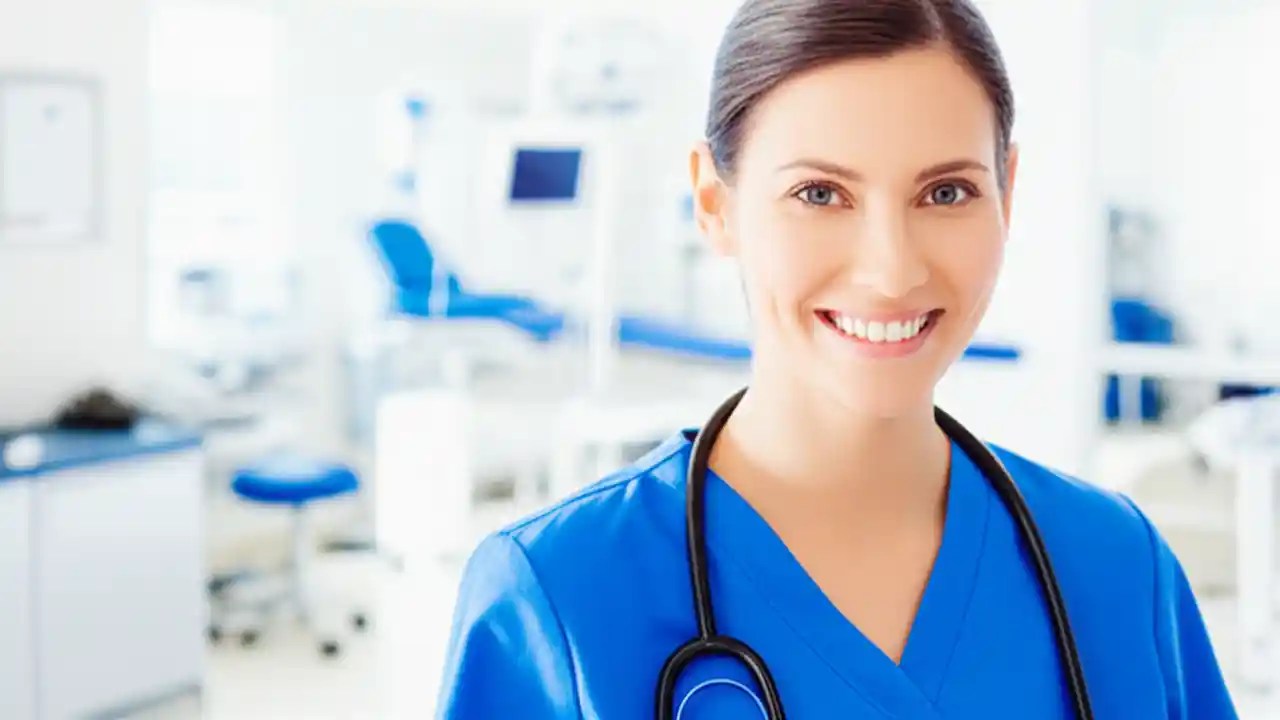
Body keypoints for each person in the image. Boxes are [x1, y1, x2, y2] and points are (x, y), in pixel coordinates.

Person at [436, 0, 1239, 717]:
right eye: (820, 194)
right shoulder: (558, 597)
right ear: (716, 204)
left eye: (947, 192)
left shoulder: (1114, 566)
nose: (891, 270)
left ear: (1009, 191)